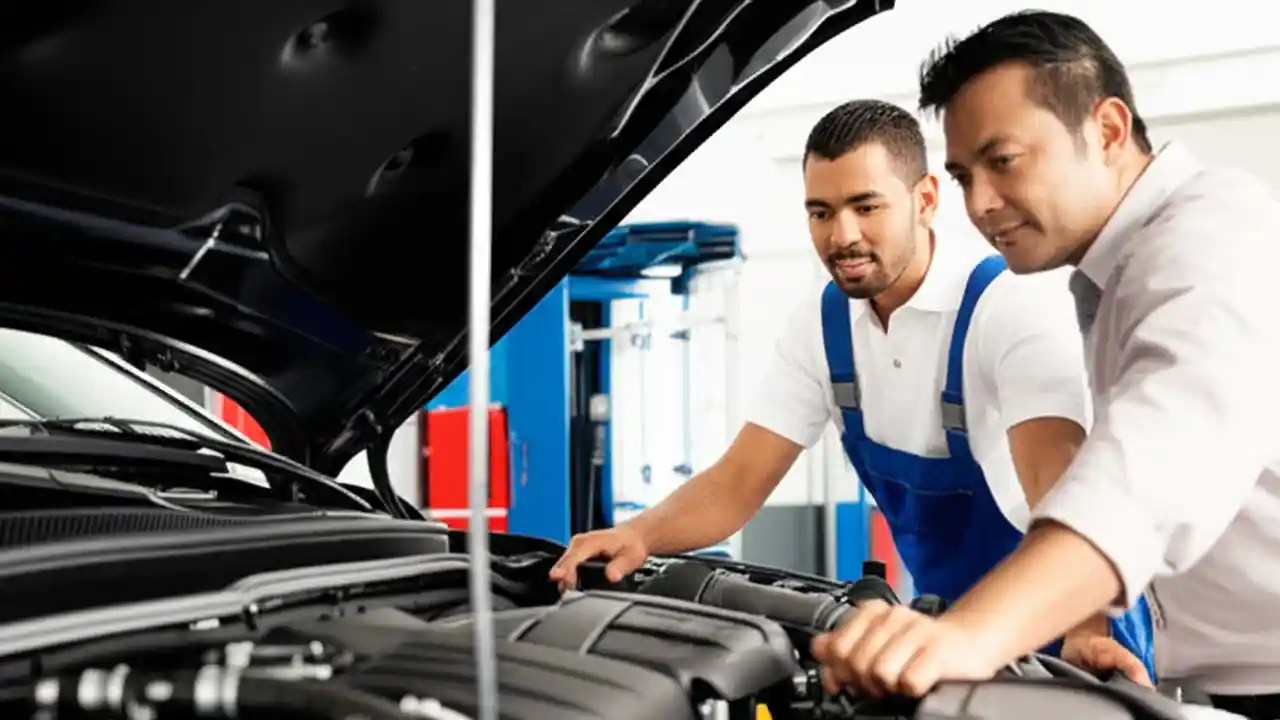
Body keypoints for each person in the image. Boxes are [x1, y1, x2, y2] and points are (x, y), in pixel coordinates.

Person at [548, 98, 1155, 683]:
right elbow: (738, 481)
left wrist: (1085, 626)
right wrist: (639, 535)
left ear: (924, 200)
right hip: (945, 626)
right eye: (821, 212)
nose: (842, 236)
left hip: (1068, 621)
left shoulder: (1006, 306)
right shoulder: (821, 325)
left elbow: (1059, 478)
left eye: (866, 207)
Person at [809, 10, 1280, 717]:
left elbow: (1159, 458)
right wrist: (1085, 625)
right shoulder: (1109, 274)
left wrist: (973, 633)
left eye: (1004, 161)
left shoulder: (1214, 237)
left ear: (1108, 130)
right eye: (965, 176)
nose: (980, 205)